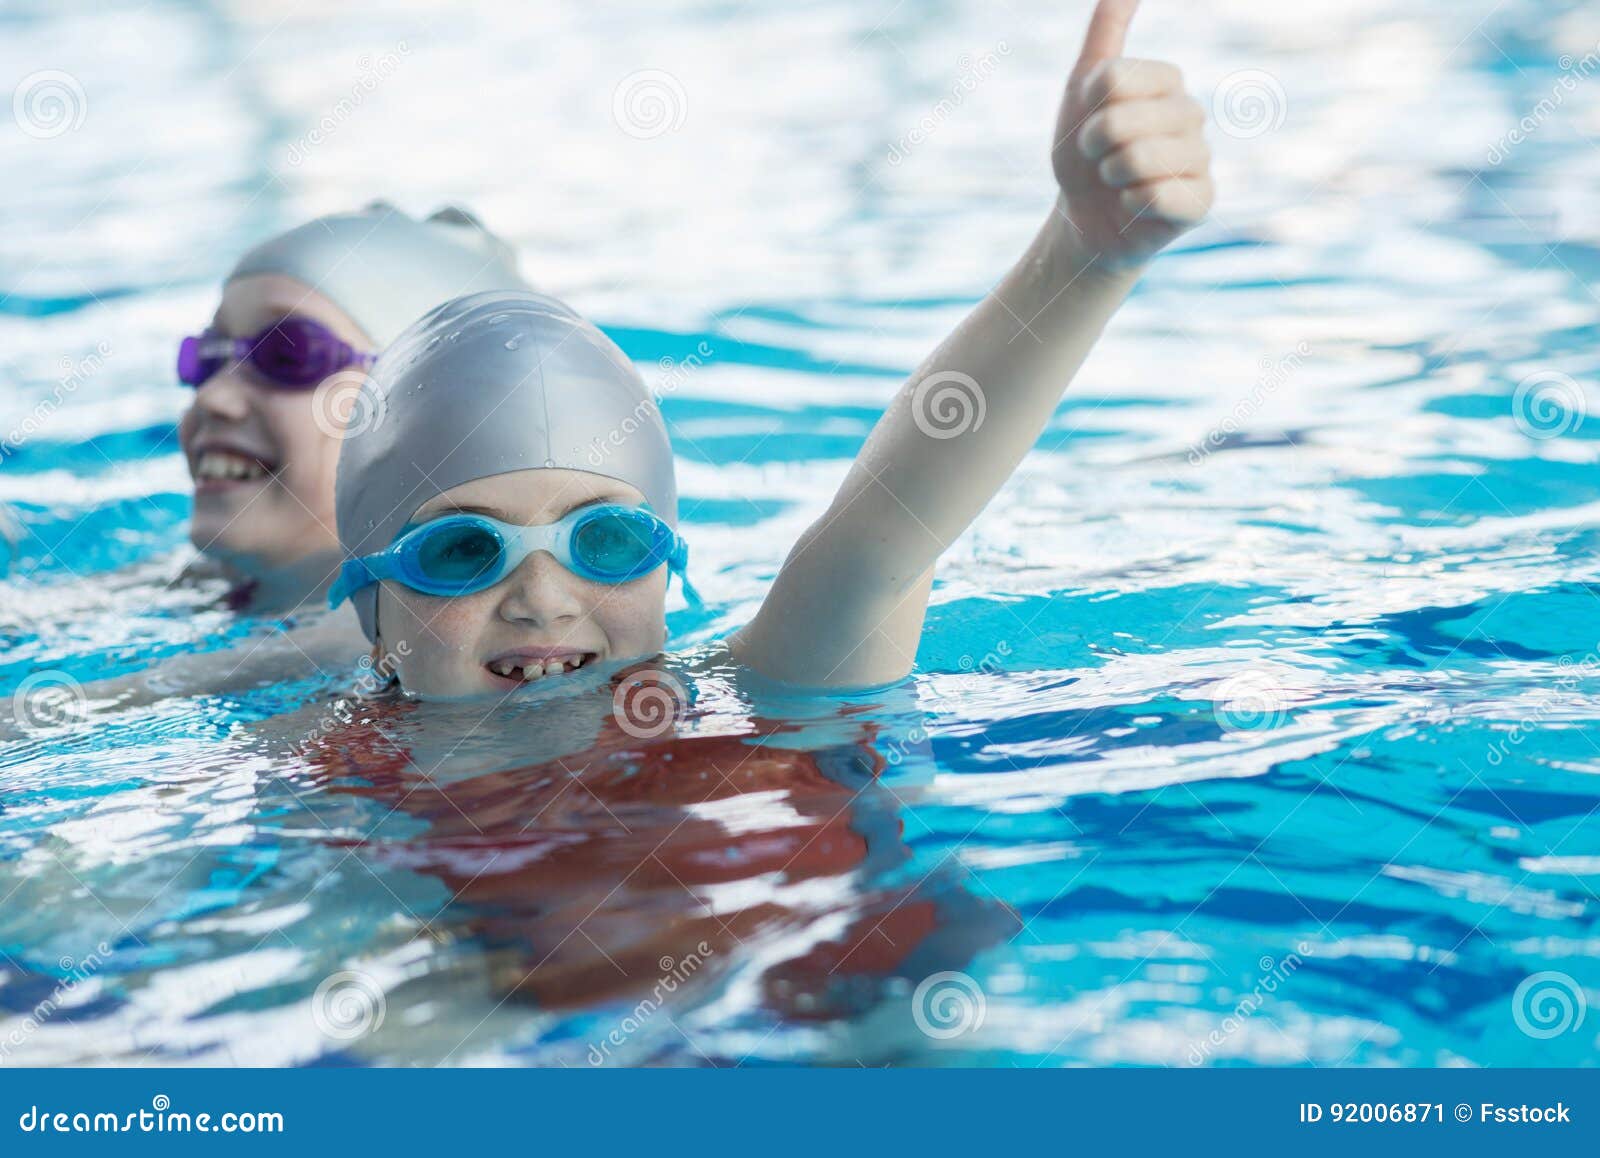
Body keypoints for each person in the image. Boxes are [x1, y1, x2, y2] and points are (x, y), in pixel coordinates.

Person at [326, 0, 1211, 698]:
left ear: (670, 563)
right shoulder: (314, 787)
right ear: (374, 618)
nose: (545, 599)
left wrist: (1084, 258)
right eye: (462, 552)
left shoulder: (761, 693)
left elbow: (883, 531)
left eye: (608, 540)